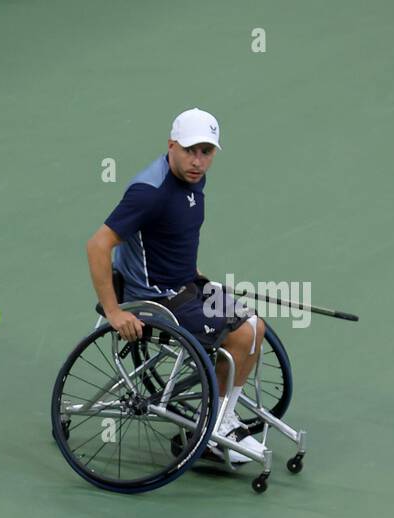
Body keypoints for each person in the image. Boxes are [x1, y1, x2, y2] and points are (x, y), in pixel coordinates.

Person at [85, 107, 266, 463]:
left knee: (256, 325)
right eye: (190, 150)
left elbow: (173, 235)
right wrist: (114, 311)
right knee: (244, 335)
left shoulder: (193, 180)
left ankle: (218, 416)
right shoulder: (148, 192)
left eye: (206, 151)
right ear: (171, 145)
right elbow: (97, 245)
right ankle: (215, 429)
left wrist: (195, 274)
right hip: (155, 300)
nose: (198, 161)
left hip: (184, 286)